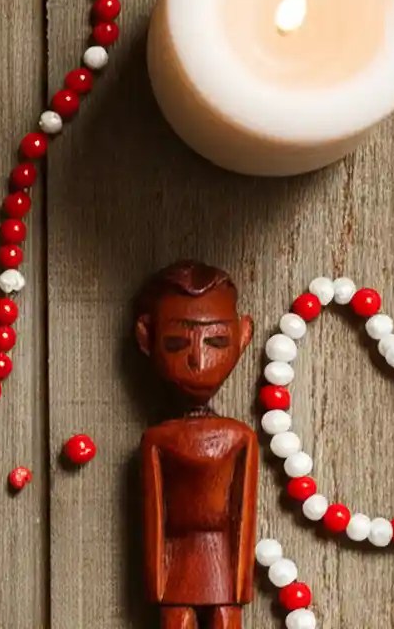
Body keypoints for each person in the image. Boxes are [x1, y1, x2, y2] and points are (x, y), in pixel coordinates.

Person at [137, 261, 260, 629]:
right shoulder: (157, 440)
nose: (198, 360)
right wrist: (156, 585)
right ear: (146, 338)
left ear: (243, 335)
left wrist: (240, 585)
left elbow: (245, 513)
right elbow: (153, 515)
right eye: (176, 343)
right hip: (174, 568)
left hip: (223, 565)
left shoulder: (241, 437)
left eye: (216, 341)